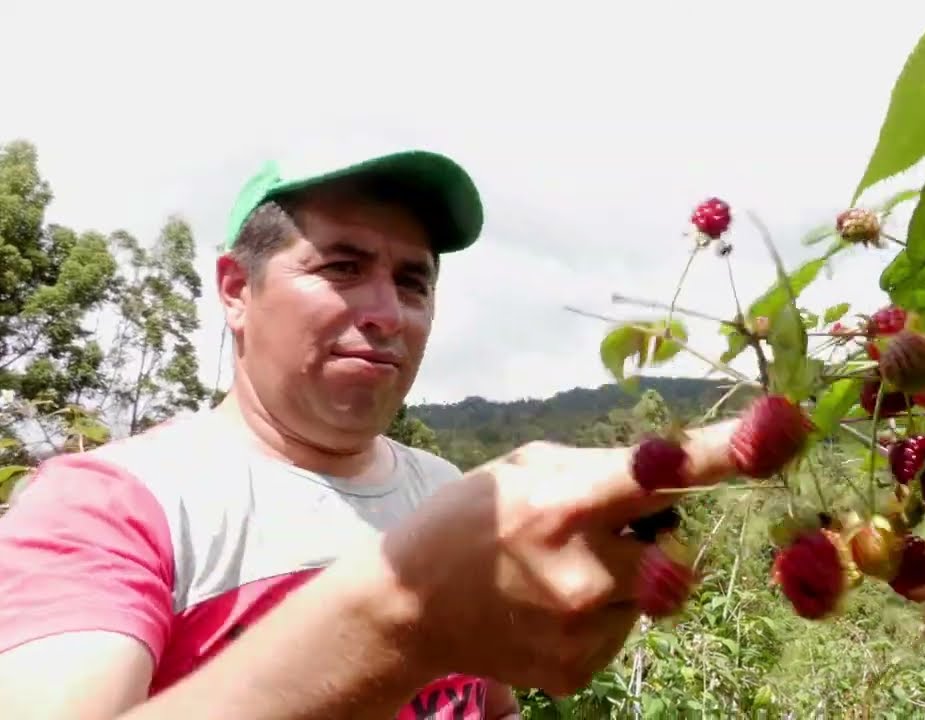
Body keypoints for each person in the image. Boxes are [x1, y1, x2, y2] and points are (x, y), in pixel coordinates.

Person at [0, 149, 742, 720]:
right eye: (342, 266)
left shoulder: (445, 490)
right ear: (235, 289)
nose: (387, 310)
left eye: (413, 281)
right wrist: (400, 619)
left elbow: (489, 706)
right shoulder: (108, 509)